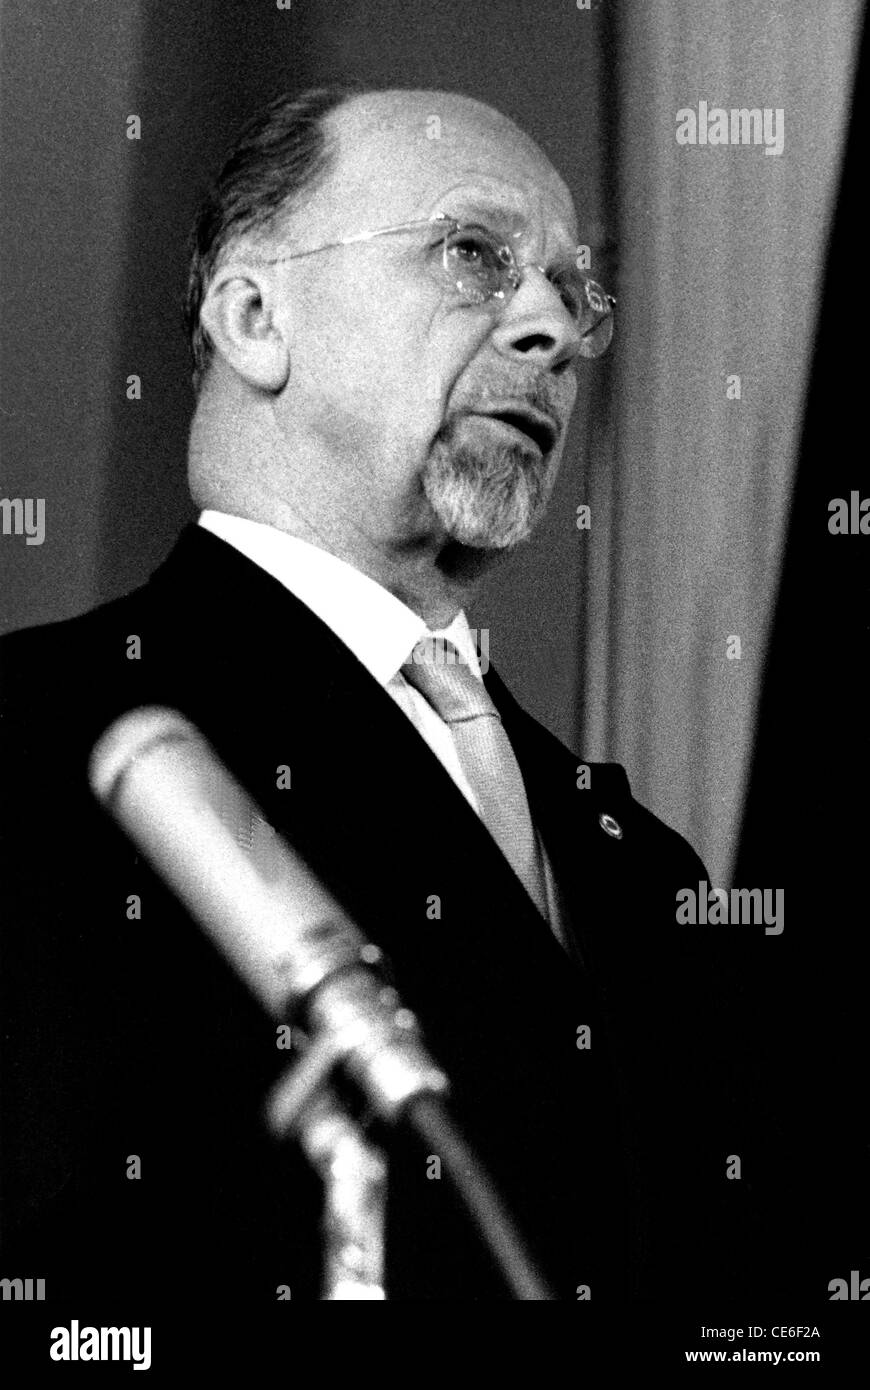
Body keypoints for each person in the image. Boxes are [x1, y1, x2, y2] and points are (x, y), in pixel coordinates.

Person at [0, 84, 737, 1308]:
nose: (552, 327)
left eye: (573, 290)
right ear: (252, 316)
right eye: (474, 255)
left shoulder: (646, 870)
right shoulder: (38, 738)